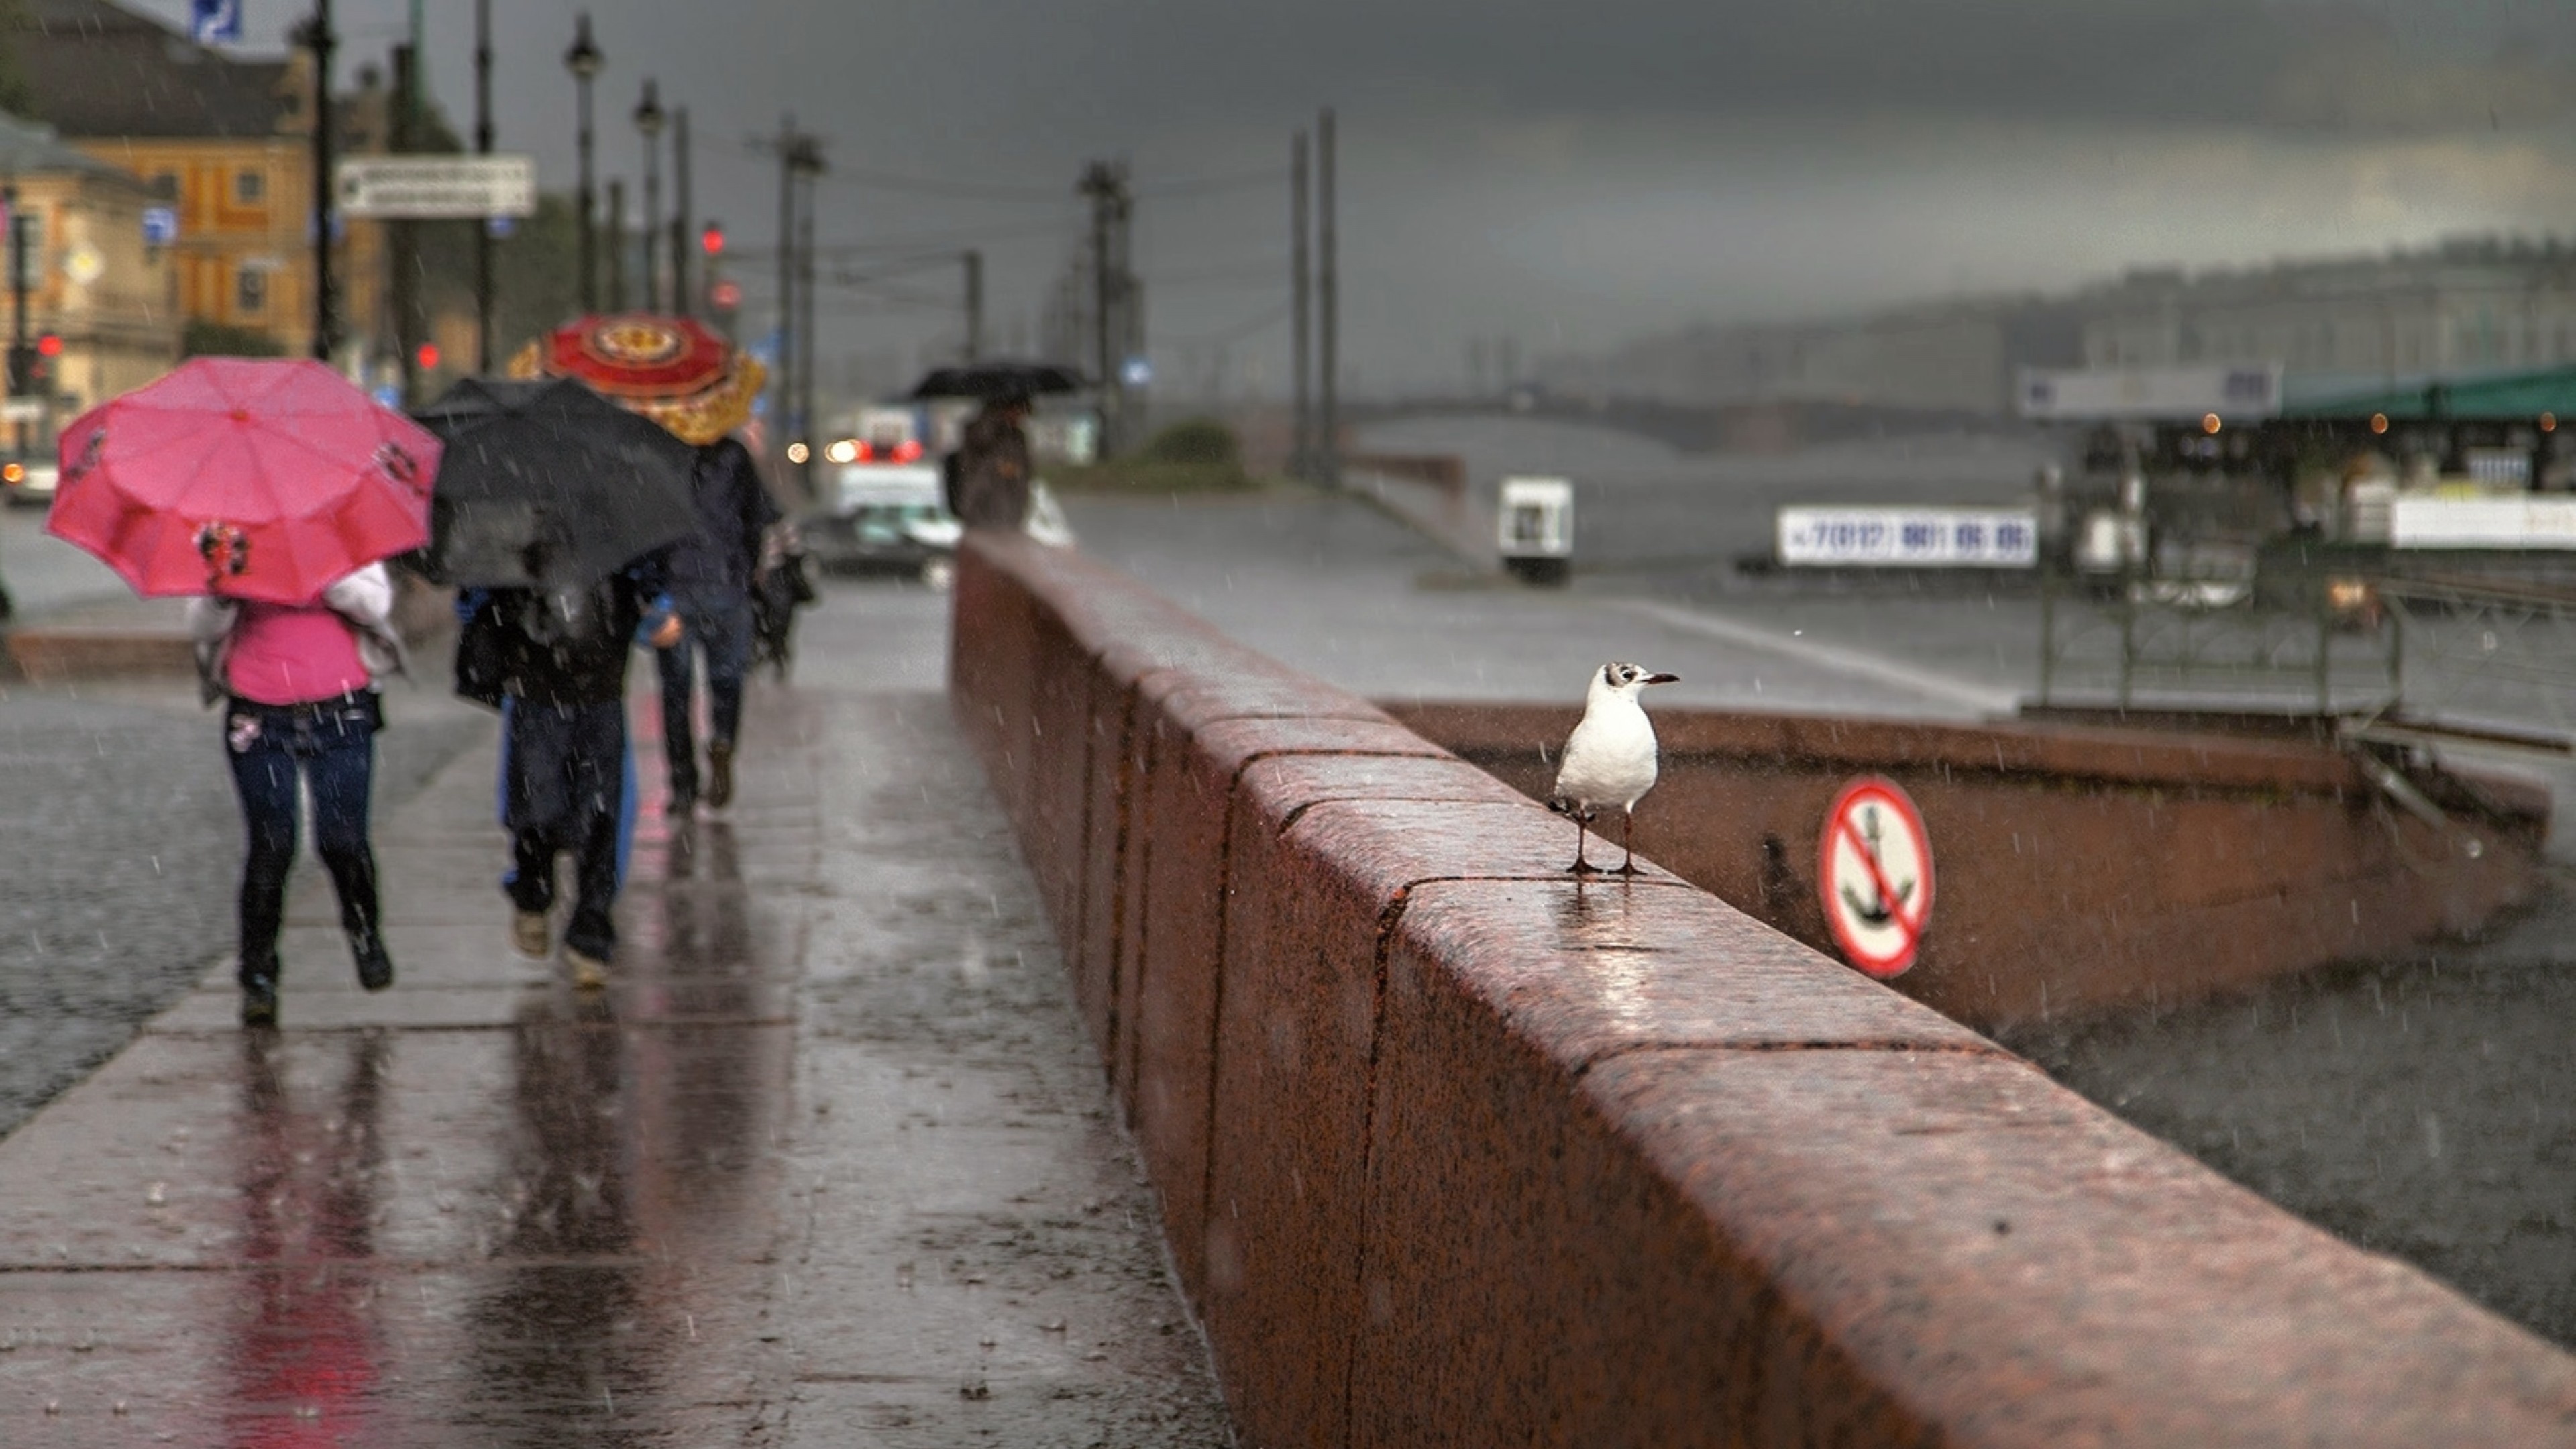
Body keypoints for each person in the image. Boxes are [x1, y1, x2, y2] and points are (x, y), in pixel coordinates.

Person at [188, 563, 406, 1026]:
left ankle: (364, 932)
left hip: (342, 713)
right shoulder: (235, 542)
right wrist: (225, 592)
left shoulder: (344, 536)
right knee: (272, 845)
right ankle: (258, 976)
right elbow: (200, 627)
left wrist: (326, 575)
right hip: (259, 718)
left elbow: (376, 604)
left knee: (343, 840)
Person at [457, 553, 677, 991]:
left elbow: (653, 581)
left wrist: (658, 608)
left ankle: (590, 938)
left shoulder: (619, 516)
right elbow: (474, 596)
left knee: (600, 814)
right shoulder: (510, 522)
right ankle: (533, 892)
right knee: (537, 811)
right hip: (535, 692)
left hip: (601, 691)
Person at [655, 434, 780, 812]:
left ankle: (682, 784)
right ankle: (723, 739)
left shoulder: (659, 451)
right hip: (727, 588)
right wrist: (745, 570)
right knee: (727, 681)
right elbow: (758, 518)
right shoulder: (734, 454)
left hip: (673, 593)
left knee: (676, 693)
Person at [945, 390, 1034, 530]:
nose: (1021, 418)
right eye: (1018, 411)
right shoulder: (982, 435)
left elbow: (1023, 475)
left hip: (1008, 516)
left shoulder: (1015, 437)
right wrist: (1000, 459)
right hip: (986, 516)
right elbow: (975, 476)